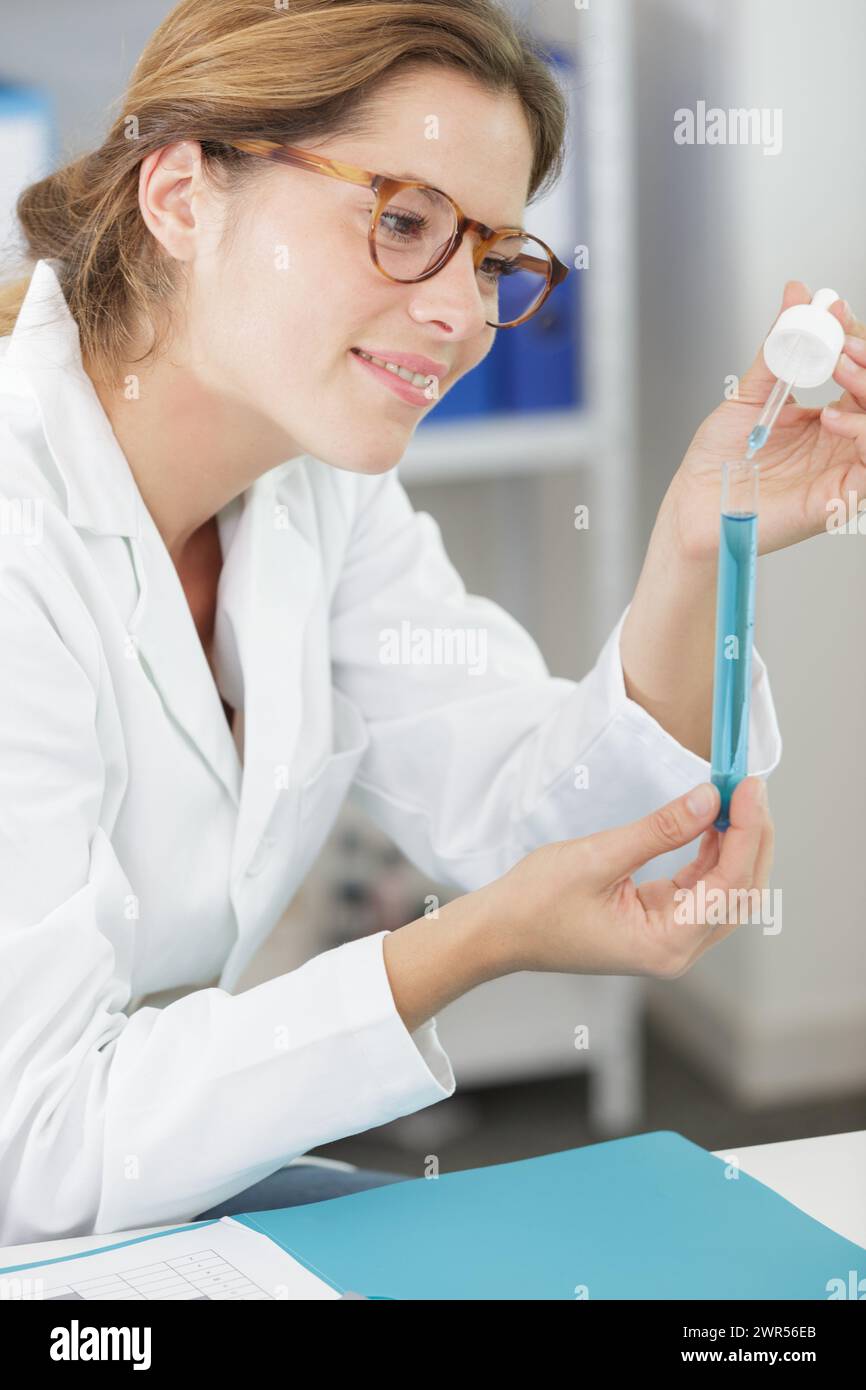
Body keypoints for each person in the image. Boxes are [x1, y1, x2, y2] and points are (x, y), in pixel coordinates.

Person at [0, 0, 863, 1247]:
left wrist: (696, 542)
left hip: (137, 1188)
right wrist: (458, 950)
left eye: (494, 257)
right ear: (180, 196)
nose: (461, 315)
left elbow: (571, 821)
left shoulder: (313, 487)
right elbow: (37, 1143)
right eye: (404, 223)